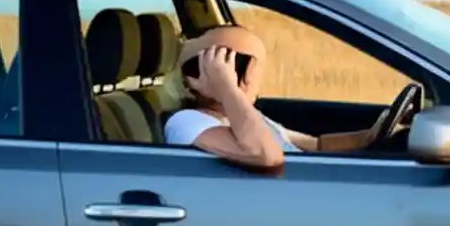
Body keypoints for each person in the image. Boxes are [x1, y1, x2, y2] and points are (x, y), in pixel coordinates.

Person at [163, 24, 386, 169]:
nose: (253, 81)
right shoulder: (187, 122)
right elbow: (266, 156)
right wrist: (228, 89)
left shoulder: (246, 119)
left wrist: (369, 136)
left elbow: (316, 145)